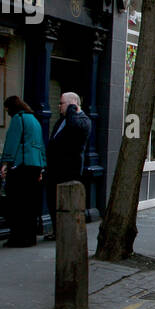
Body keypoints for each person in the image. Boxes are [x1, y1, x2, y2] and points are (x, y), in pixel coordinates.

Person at [45, 91, 92, 241]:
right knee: (53, 201)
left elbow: (74, 129)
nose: (59, 106)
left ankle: (66, 231)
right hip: (54, 169)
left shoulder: (83, 120)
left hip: (69, 170)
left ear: (73, 104)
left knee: (66, 202)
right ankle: (57, 230)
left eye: (62, 103)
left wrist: (72, 110)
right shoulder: (61, 120)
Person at [0, 96, 45, 247]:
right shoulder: (34, 120)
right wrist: (41, 166)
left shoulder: (18, 118)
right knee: (30, 205)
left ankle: (18, 238)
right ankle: (29, 237)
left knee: (17, 204)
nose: (7, 113)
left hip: (21, 165)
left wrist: (5, 163)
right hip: (34, 165)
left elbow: (12, 141)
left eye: (7, 109)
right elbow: (40, 145)